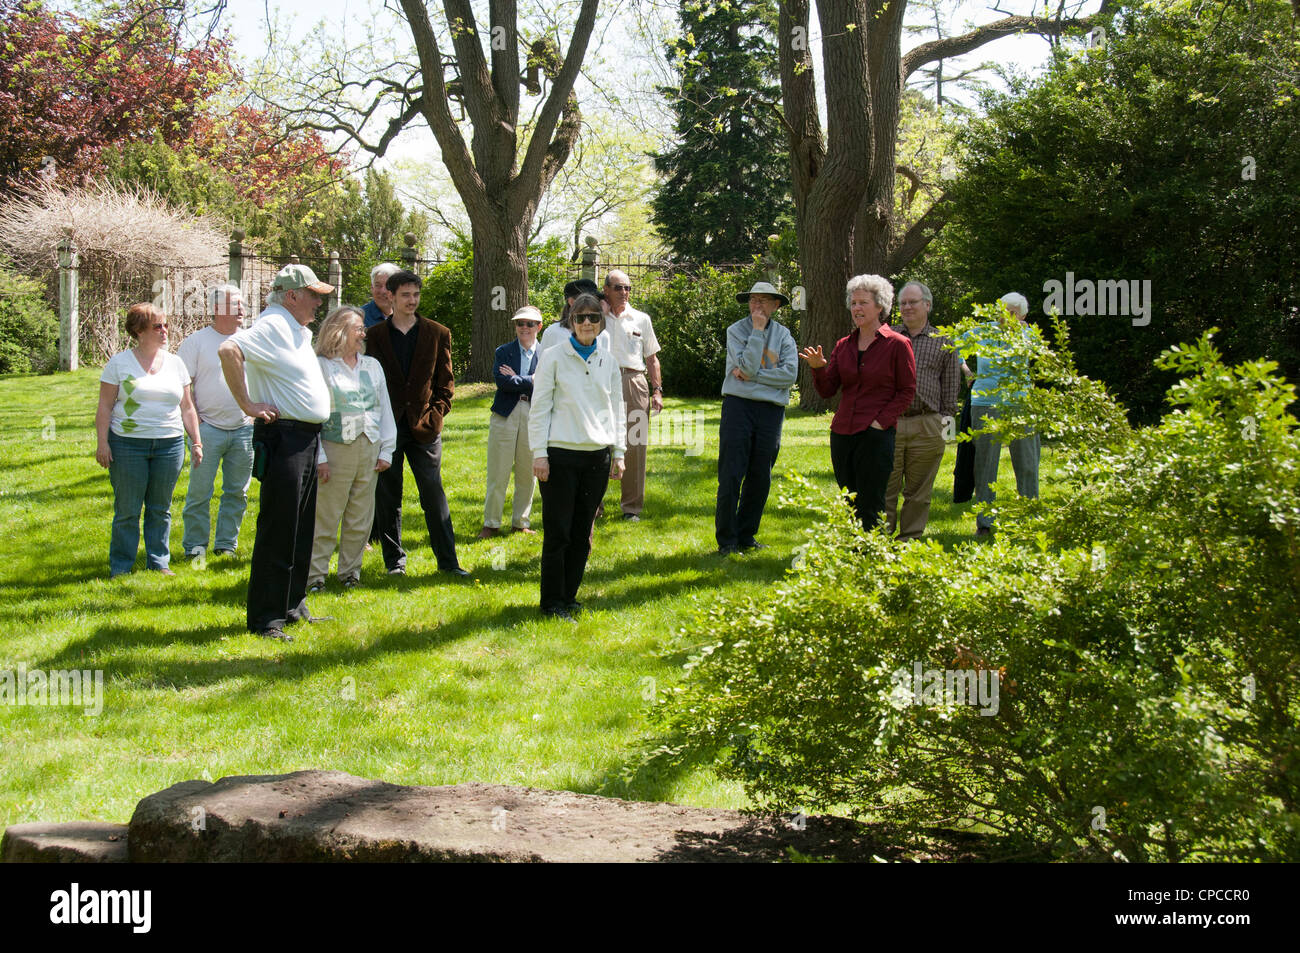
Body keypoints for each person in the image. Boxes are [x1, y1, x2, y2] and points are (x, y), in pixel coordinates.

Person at [218, 264, 332, 641]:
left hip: (305, 437)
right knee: (279, 528)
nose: (319, 302)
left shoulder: (294, 328)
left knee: (299, 529)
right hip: (284, 437)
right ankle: (266, 619)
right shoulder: (273, 324)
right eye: (313, 295)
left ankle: (292, 605)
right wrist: (248, 404)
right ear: (292, 295)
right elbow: (228, 348)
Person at [529, 293, 626, 621]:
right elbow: (539, 407)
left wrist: (620, 452)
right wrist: (539, 454)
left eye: (593, 318)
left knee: (583, 533)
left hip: (597, 458)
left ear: (601, 323)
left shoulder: (608, 361)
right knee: (559, 532)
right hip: (559, 457)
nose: (587, 323)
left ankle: (569, 596)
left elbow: (618, 410)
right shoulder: (554, 356)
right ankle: (551, 602)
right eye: (580, 317)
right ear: (571, 321)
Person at [366, 269, 468, 577]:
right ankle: (394, 562)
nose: (412, 300)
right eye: (405, 295)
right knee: (387, 498)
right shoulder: (374, 337)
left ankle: (448, 563)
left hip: (425, 427)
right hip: (388, 428)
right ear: (391, 297)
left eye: (416, 294)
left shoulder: (438, 333)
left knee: (433, 495)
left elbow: (445, 384)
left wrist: (436, 415)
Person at [799, 274, 917, 532]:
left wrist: (880, 423)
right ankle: (851, 561)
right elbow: (828, 390)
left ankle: (871, 563)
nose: (856, 308)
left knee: (871, 503)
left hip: (875, 434)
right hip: (842, 434)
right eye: (853, 303)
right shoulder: (844, 346)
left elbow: (907, 391)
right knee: (848, 502)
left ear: (880, 306)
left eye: (863, 302)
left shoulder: (898, 344)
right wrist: (818, 369)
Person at [95, 303, 203, 578]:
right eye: (158, 326)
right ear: (139, 330)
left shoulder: (176, 363)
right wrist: (103, 443)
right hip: (127, 444)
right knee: (128, 510)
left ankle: (159, 562)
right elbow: (105, 406)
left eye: (166, 325)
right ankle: (121, 567)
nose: (165, 330)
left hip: (169, 445)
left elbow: (188, 407)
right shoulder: (119, 363)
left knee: (160, 508)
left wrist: (197, 441)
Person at [307, 306, 396, 591]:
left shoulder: (372, 366)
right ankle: (315, 576)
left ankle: (349, 574)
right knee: (326, 515)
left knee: (361, 515)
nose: (363, 333)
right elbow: (313, 415)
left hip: (369, 448)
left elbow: (384, 410)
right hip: (335, 449)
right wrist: (319, 456)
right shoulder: (321, 365)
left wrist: (386, 450)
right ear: (340, 331)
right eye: (358, 328)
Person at [715, 281, 798, 555]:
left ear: (776, 305)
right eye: (753, 300)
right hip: (738, 407)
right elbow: (747, 364)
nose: (757, 306)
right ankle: (727, 540)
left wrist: (754, 377)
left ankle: (746, 535)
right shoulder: (736, 331)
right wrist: (758, 332)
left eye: (764, 301)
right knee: (731, 474)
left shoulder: (785, 335)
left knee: (760, 476)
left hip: (771, 412)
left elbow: (789, 375)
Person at [178, 285, 253, 559]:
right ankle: (195, 548)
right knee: (199, 493)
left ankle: (226, 546)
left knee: (237, 492)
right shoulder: (195, 342)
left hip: (244, 429)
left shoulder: (250, 340)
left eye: (243, 303)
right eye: (236, 304)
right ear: (217, 309)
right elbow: (184, 389)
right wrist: (196, 429)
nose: (242, 309)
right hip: (207, 429)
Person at [884, 281, 962, 539]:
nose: (906, 307)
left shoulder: (944, 341)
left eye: (912, 302)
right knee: (885, 486)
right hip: (889, 423)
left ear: (927, 305)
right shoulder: (887, 336)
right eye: (903, 303)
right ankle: (878, 540)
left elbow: (951, 387)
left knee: (919, 492)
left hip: (927, 424)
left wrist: (944, 424)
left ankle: (909, 540)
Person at [968, 292, 1040, 537]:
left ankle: (1030, 518)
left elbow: (1044, 360)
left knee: (1027, 461)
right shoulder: (982, 331)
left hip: (1021, 404)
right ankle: (985, 523)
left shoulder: (1028, 334)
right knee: (986, 464)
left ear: (1021, 315)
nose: (1004, 317)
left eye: (1011, 313)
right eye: (1001, 311)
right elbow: (952, 347)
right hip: (985, 403)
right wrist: (967, 373)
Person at [480, 306, 543, 538]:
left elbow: (546, 385)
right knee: (498, 470)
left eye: (529, 324)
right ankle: (491, 523)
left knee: (528, 471)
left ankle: (521, 522)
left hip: (534, 414)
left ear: (539, 326)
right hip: (505, 413)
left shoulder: (547, 353)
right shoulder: (503, 351)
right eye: (520, 323)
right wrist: (531, 380)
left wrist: (517, 378)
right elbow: (502, 382)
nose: (524, 328)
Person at [603, 269, 661, 521]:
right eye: (618, 288)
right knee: (597, 442)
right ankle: (594, 506)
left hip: (633, 381)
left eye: (627, 288)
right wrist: (598, 310)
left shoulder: (641, 319)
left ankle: (631, 508)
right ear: (606, 290)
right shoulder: (595, 316)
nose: (624, 293)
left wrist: (657, 390)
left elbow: (652, 358)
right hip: (601, 380)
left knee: (635, 444)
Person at [541, 278, 610, 354]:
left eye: (595, 299)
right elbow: (542, 364)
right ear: (571, 301)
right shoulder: (553, 332)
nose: (591, 302)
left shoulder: (603, 336)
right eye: (586, 299)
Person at [362, 263, 399, 329]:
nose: (383, 291)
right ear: (372, 288)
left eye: (388, 286)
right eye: (378, 285)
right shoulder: (360, 318)